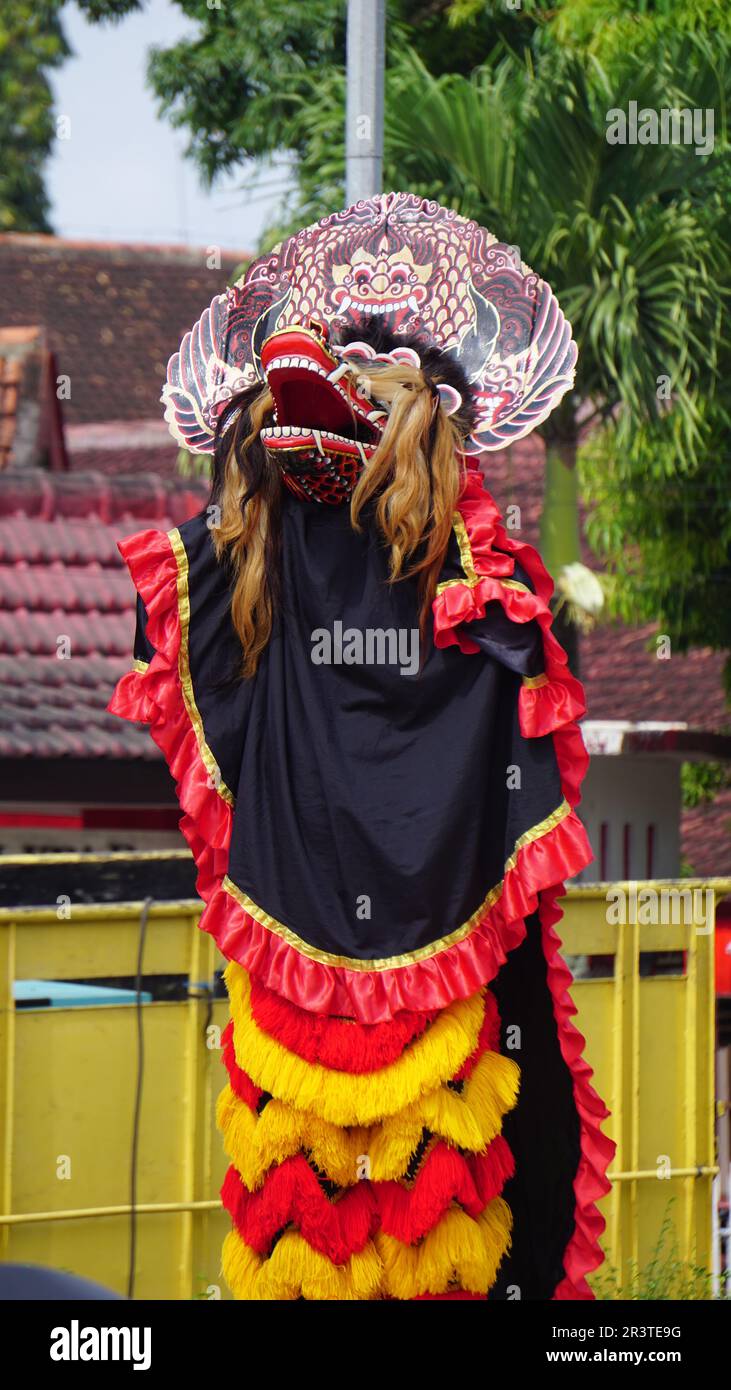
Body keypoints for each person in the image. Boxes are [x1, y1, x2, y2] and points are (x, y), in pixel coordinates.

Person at [109, 192, 614, 1300]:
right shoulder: (284, 560)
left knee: (410, 1220)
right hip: (345, 976)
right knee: (351, 1226)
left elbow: (519, 659)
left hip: (389, 975)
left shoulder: (437, 566)